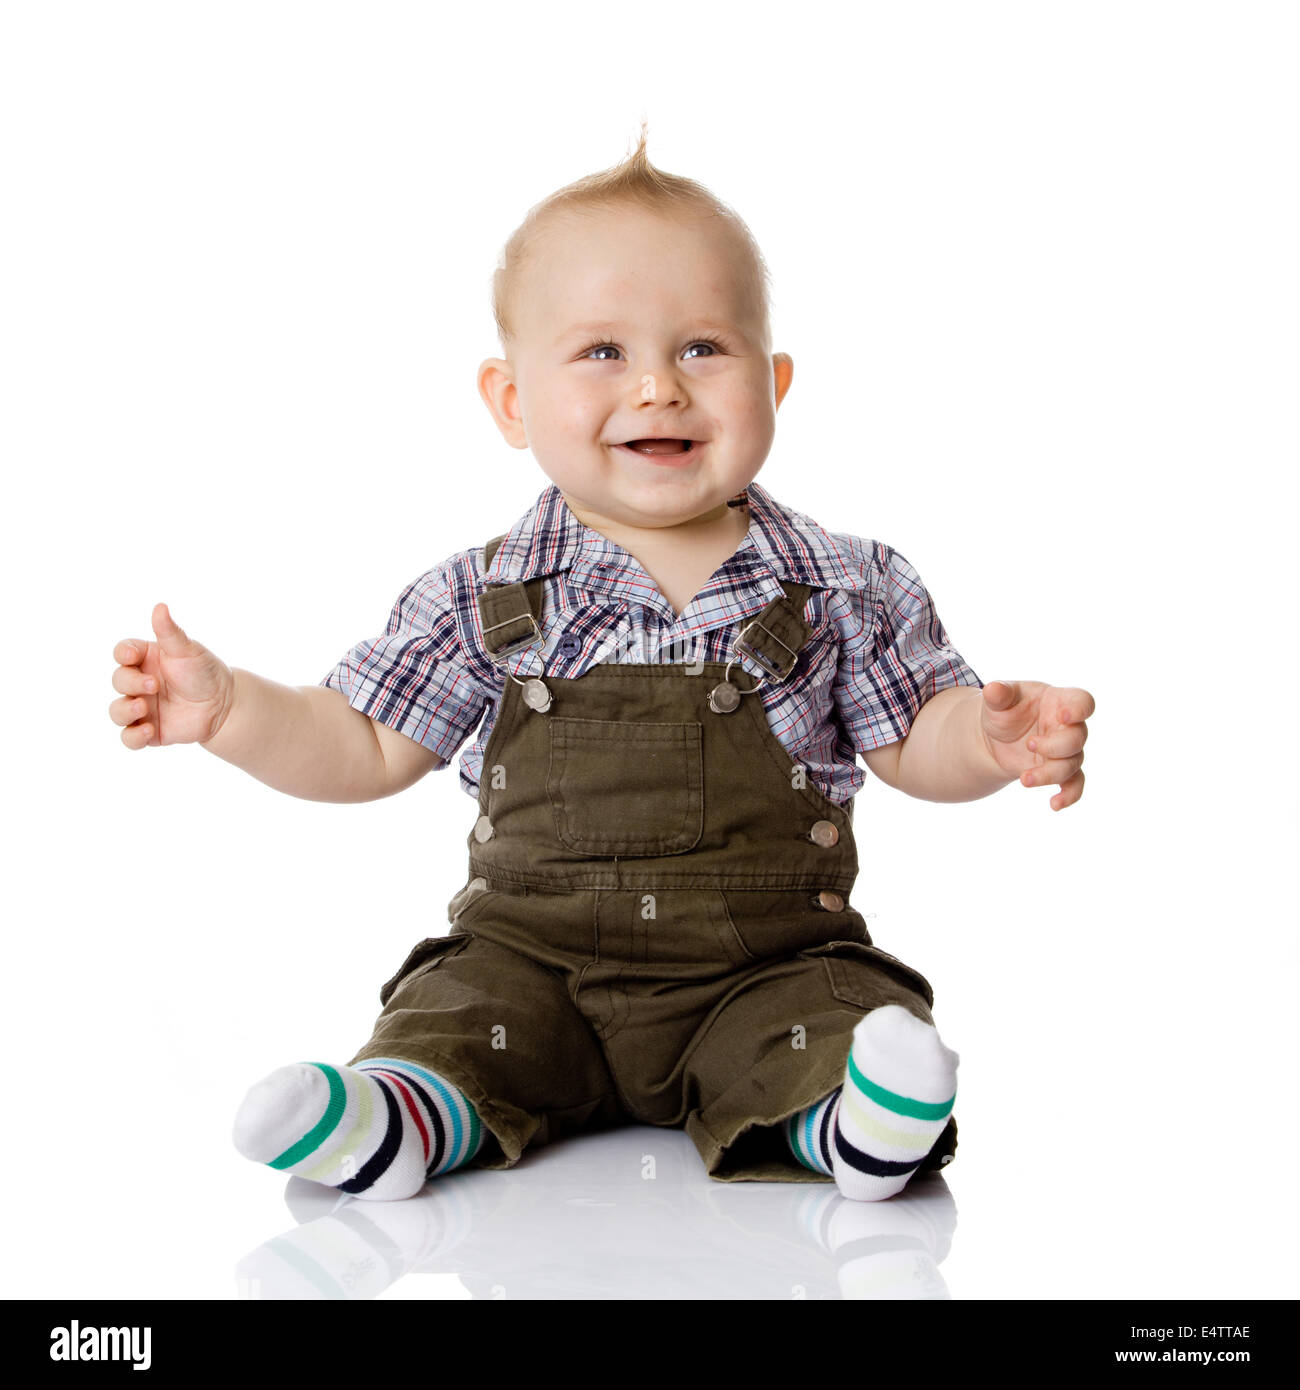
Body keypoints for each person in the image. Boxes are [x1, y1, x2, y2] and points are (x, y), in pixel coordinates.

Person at [108, 129, 1094, 1203]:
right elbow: (361, 741)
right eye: (602, 352)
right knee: (458, 1019)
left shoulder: (846, 584)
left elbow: (916, 736)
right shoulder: (478, 597)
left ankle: (852, 1119)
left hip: (761, 972)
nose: (660, 388)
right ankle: (392, 1116)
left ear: (777, 382)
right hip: (532, 967)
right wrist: (234, 710)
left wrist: (990, 741)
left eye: (704, 348)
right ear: (510, 400)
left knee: (832, 1017)